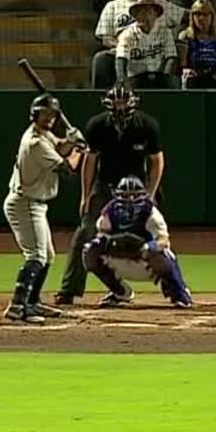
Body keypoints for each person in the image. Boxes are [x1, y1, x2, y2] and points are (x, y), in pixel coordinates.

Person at [57, 84, 165, 305]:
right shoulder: (97, 125)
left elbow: (157, 161)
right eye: (116, 104)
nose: (120, 108)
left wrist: (151, 193)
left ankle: (174, 286)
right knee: (86, 233)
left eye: (124, 103)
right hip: (106, 186)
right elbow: (90, 161)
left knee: (155, 238)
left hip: (137, 190)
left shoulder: (146, 125)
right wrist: (86, 195)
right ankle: (69, 289)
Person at [2, 95, 84, 323]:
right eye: (45, 114)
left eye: (52, 115)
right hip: (25, 203)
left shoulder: (42, 135)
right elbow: (68, 169)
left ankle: (32, 301)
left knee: (47, 256)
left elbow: (59, 146)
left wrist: (70, 141)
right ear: (35, 114)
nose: (49, 118)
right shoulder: (34, 143)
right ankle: (17, 306)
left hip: (34, 203)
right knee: (36, 255)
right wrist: (79, 149)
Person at [83, 176, 193, 309]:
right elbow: (101, 236)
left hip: (146, 262)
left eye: (134, 196)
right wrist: (110, 243)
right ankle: (120, 292)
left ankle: (179, 292)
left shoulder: (151, 213)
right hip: (120, 260)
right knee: (90, 252)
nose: (130, 200)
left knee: (162, 255)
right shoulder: (109, 213)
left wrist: (147, 247)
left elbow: (163, 241)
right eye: (126, 196)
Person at [114, 0, 179, 87]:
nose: (142, 16)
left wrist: (166, 78)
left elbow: (171, 57)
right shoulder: (127, 34)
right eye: (138, 13)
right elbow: (121, 59)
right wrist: (122, 80)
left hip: (159, 77)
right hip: (135, 78)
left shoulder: (165, 32)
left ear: (155, 15)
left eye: (147, 12)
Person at [179, 0, 216, 88]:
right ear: (192, 17)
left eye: (205, 14)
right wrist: (185, 70)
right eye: (197, 14)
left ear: (212, 16)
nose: (201, 18)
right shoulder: (185, 36)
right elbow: (182, 66)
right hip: (195, 80)